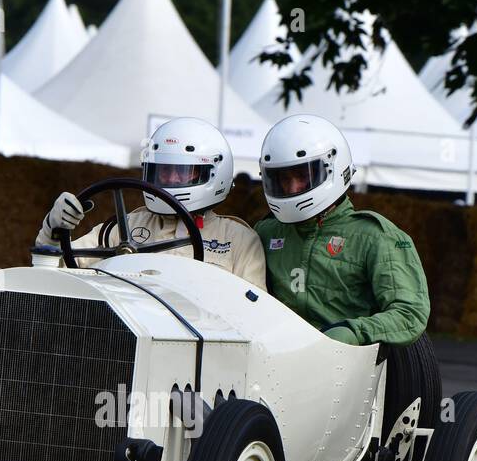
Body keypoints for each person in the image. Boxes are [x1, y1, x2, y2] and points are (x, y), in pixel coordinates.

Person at [254, 114, 430, 346]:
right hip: (272, 354)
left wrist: (353, 331)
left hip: (347, 363)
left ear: (333, 168)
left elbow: (409, 313)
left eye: (302, 176)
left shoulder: (375, 236)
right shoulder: (265, 232)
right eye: (283, 179)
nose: (292, 187)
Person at [36, 117, 266, 290]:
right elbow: (55, 272)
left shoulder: (238, 240)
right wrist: (53, 229)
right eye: (164, 172)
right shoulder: (125, 228)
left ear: (215, 173)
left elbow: (254, 314)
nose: (172, 180)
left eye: (183, 172)